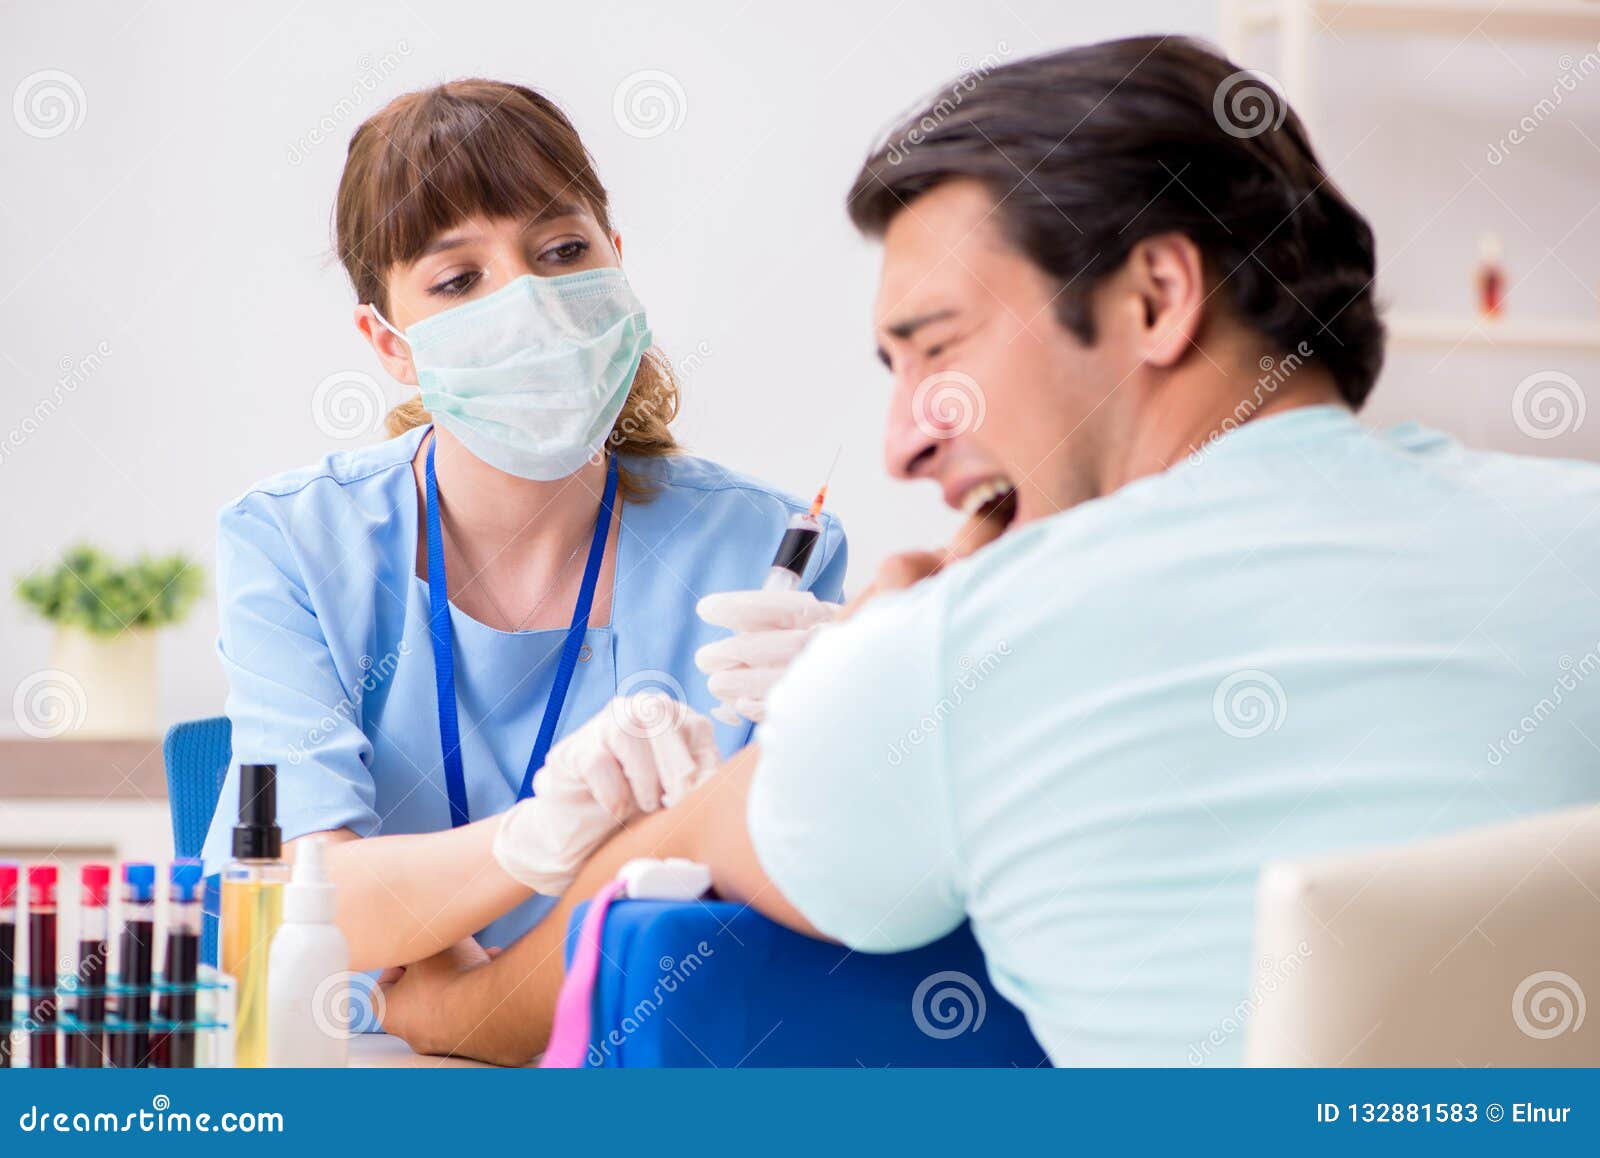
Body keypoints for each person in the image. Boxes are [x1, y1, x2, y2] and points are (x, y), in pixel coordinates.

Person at [375, 37, 1600, 1066]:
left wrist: (429, 1005)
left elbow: (610, 925)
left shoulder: (952, 655)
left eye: (938, 348)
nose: (905, 442)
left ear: (1156, 298)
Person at [200, 80, 846, 972]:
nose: (532, 303)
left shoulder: (765, 548)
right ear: (390, 344)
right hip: (354, 1043)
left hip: (647, 1039)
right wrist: (533, 837)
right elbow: (296, 906)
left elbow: (812, 896)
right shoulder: (299, 542)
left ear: (617, 264)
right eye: (459, 279)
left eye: (563, 250)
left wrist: (861, 728)